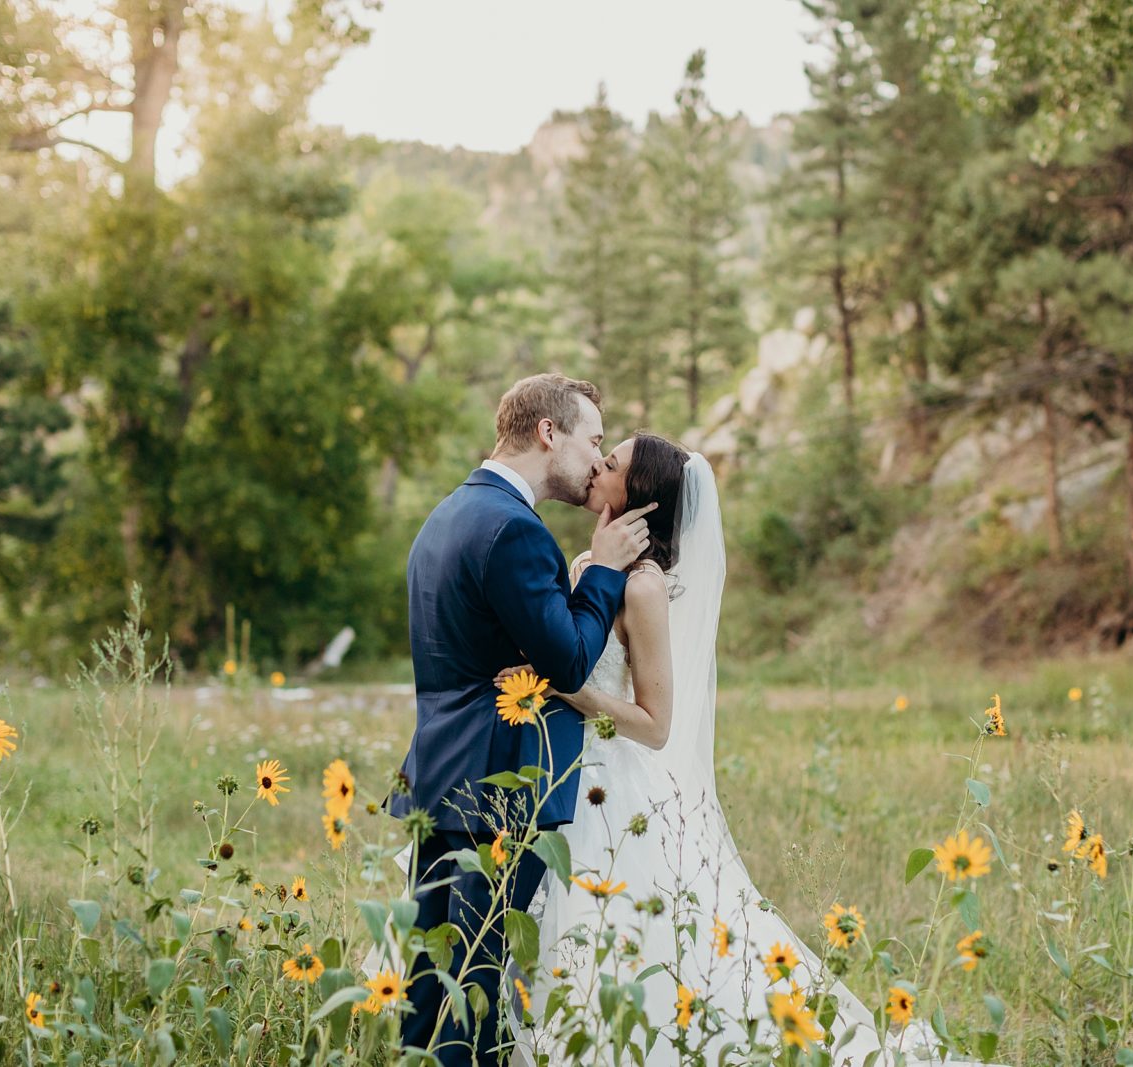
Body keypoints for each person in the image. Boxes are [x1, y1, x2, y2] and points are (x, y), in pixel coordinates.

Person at [508, 433, 975, 1065]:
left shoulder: (644, 588)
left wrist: (567, 692)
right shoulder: (588, 565)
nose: (597, 466)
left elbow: (655, 724)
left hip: (616, 780)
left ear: (638, 495)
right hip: (566, 769)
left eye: (611, 464)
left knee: (631, 930)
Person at [387, 374, 657, 1067]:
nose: (598, 461)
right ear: (548, 433)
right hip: (504, 785)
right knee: (480, 980)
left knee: (429, 976)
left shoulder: (447, 514)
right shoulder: (515, 530)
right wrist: (601, 569)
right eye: (592, 440)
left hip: (439, 775)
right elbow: (567, 662)